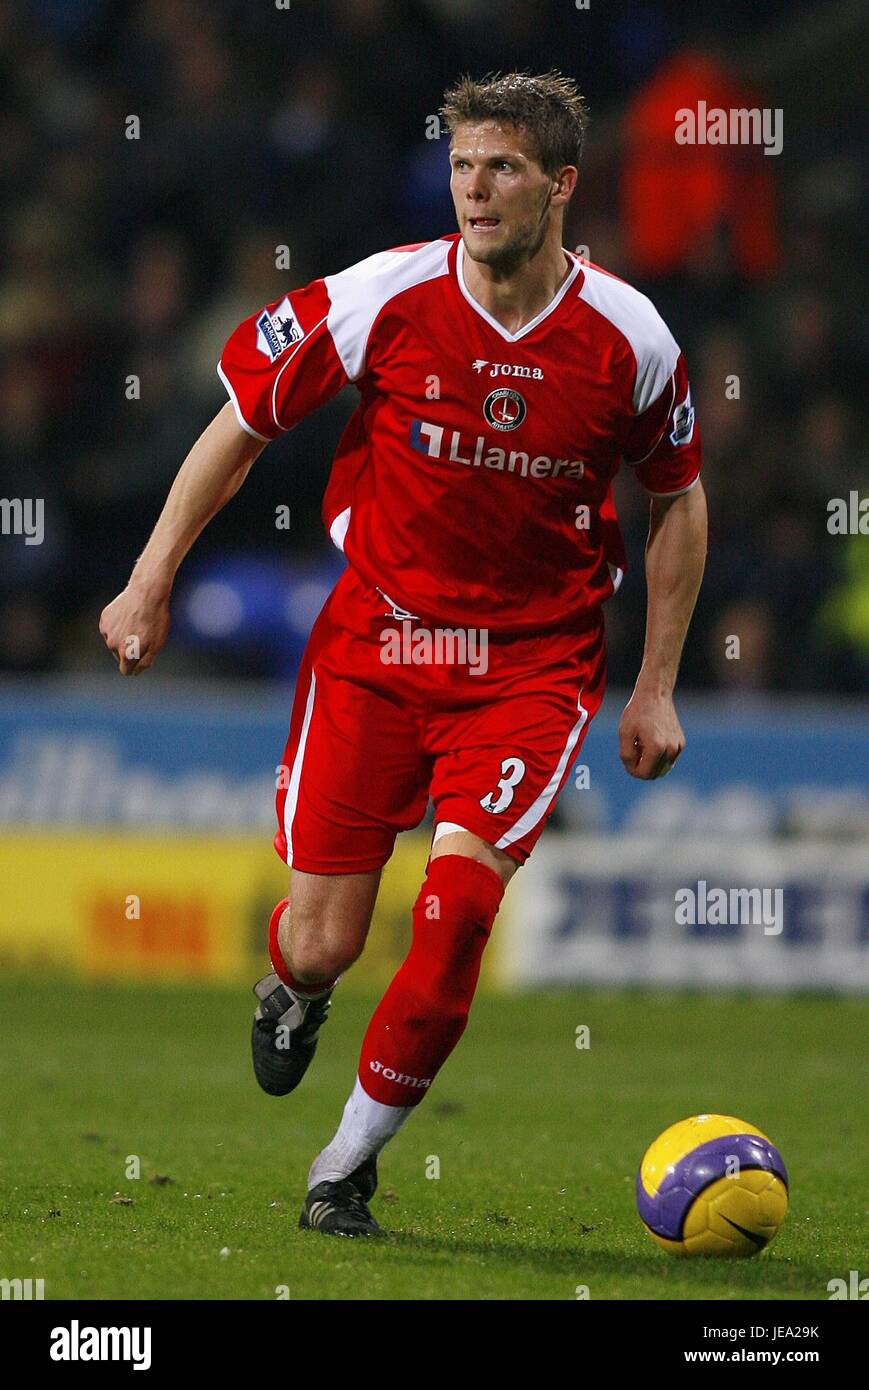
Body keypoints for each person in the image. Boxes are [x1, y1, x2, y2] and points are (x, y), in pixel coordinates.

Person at [100, 70, 707, 1237]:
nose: (474, 192)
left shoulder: (630, 338)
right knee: (324, 939)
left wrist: (656, 684)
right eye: (461, 167)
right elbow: (240, 421)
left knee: (457, 913)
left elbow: (675, 498)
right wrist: (149, 575)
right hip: (376, 646)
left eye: (503, 169)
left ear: (559, 186)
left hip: (531, 669)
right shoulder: (382, 294)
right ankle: (294, 988)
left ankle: (343, 1167)